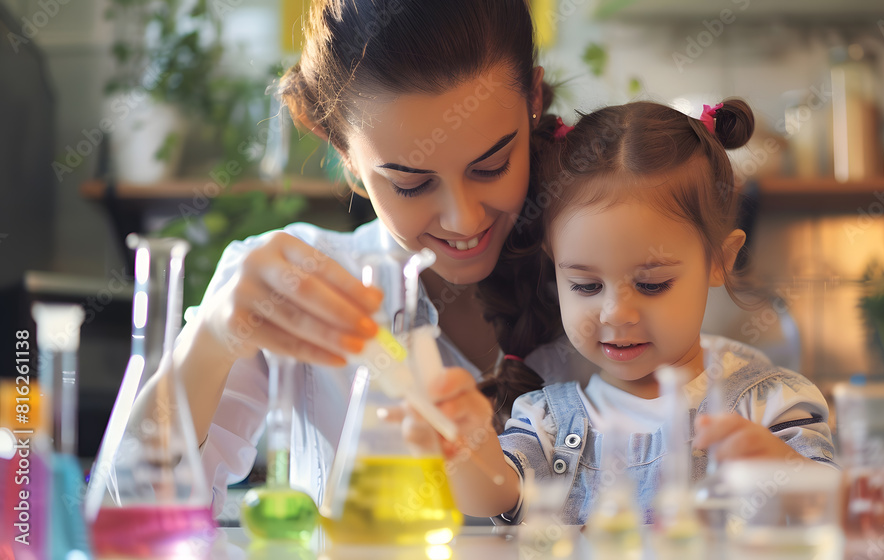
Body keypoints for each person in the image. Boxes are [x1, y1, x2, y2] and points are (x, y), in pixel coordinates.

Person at [141, 0, 595, 516]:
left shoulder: (618, 276)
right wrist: (210, 345)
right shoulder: (298, 283)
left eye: (491, 166)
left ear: (533, 98)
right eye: (412, 183)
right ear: (346, 154)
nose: (464, 220)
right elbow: (131, 513)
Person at [421, 100, 836, 524]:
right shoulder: (547, 424)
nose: (616, 313)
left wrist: (779, 469)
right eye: (586, 286)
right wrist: (463, 442)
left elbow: (834, 513)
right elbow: (494, 497)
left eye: (651, 284)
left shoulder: (767, 405)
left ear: (719, 260)